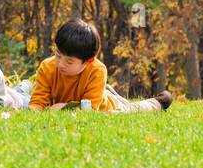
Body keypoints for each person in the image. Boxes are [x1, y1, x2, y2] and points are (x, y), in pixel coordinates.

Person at [26, 19, 171, 112]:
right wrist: (35, 110)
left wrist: (62, 108)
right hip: (84, 97)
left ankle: (159, 102)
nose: (61, 64)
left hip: (105, 107)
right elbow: (37, 102)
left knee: (133, 109)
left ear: (88, 61)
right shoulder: (47, 67)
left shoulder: (97, 70)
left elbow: (88, 111)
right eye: (58, 55)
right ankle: (107, 90)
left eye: (69, 61)